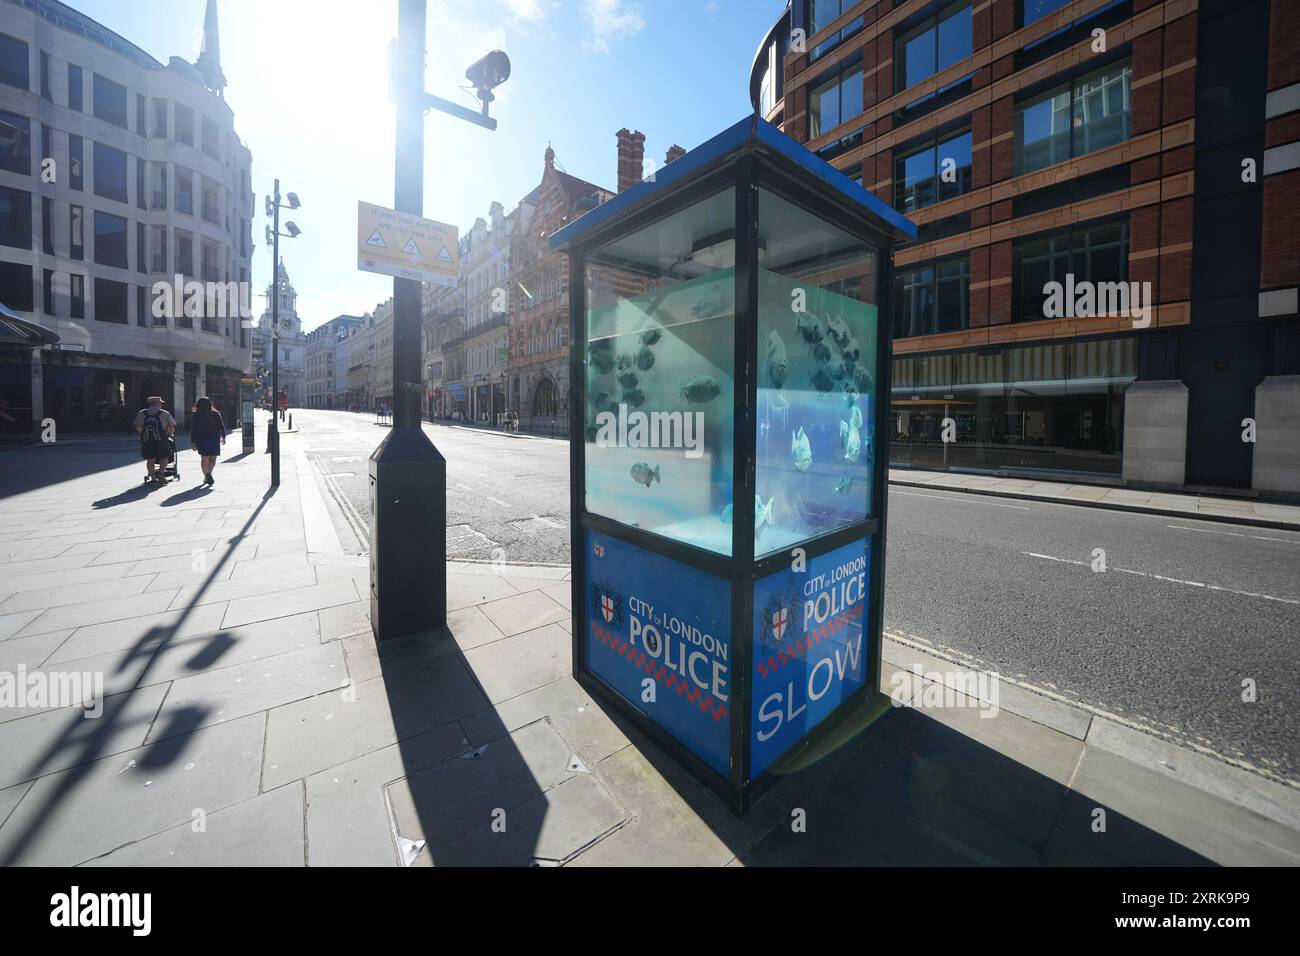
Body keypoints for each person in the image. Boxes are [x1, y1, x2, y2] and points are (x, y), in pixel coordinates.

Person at [133, 396, 176, 483]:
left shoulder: (141, 413)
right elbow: (171, 427)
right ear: (158, 403)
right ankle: (160, 472)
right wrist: (169, 434)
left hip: (147, 440)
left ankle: (153, 478)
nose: (161, 404)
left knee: (150, 459)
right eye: (160, 403)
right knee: (164, 457)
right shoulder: (165, 413)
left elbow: (138, 429)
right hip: (161, 439)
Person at [189, 396, 227, 486]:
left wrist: (193, 442)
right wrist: (223, 437)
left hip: (201, 438)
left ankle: (206, 475)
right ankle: (209, 473)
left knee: (204, 458)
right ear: (210, 404)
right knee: (213, 459)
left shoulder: (196, 415)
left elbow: (193, 429)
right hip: (214, 438)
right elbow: (222, 426)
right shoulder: (216, 413)